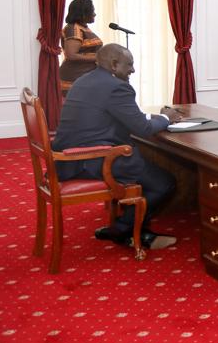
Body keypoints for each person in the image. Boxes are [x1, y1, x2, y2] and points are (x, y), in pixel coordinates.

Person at [53, 44, 183, 250]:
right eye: (129, 65)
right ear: (114, 65)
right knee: (163, 183)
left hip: (67, 159)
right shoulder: (117, 87)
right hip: (93, 158)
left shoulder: (83, 80)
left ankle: (128, 227)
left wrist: (153, 117)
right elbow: (142, 128)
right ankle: (124, 230)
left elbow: (114, 114)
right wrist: (167, 118)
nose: (133, 70)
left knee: (145, 169)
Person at [59, 0, 103, 95]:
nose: (94, 14)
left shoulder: (83, 28)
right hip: (75, 77)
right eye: (92, 11)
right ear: (83, 13)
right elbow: (71, 55)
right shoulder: (74, 29)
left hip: (84, 76)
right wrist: (99, 57)